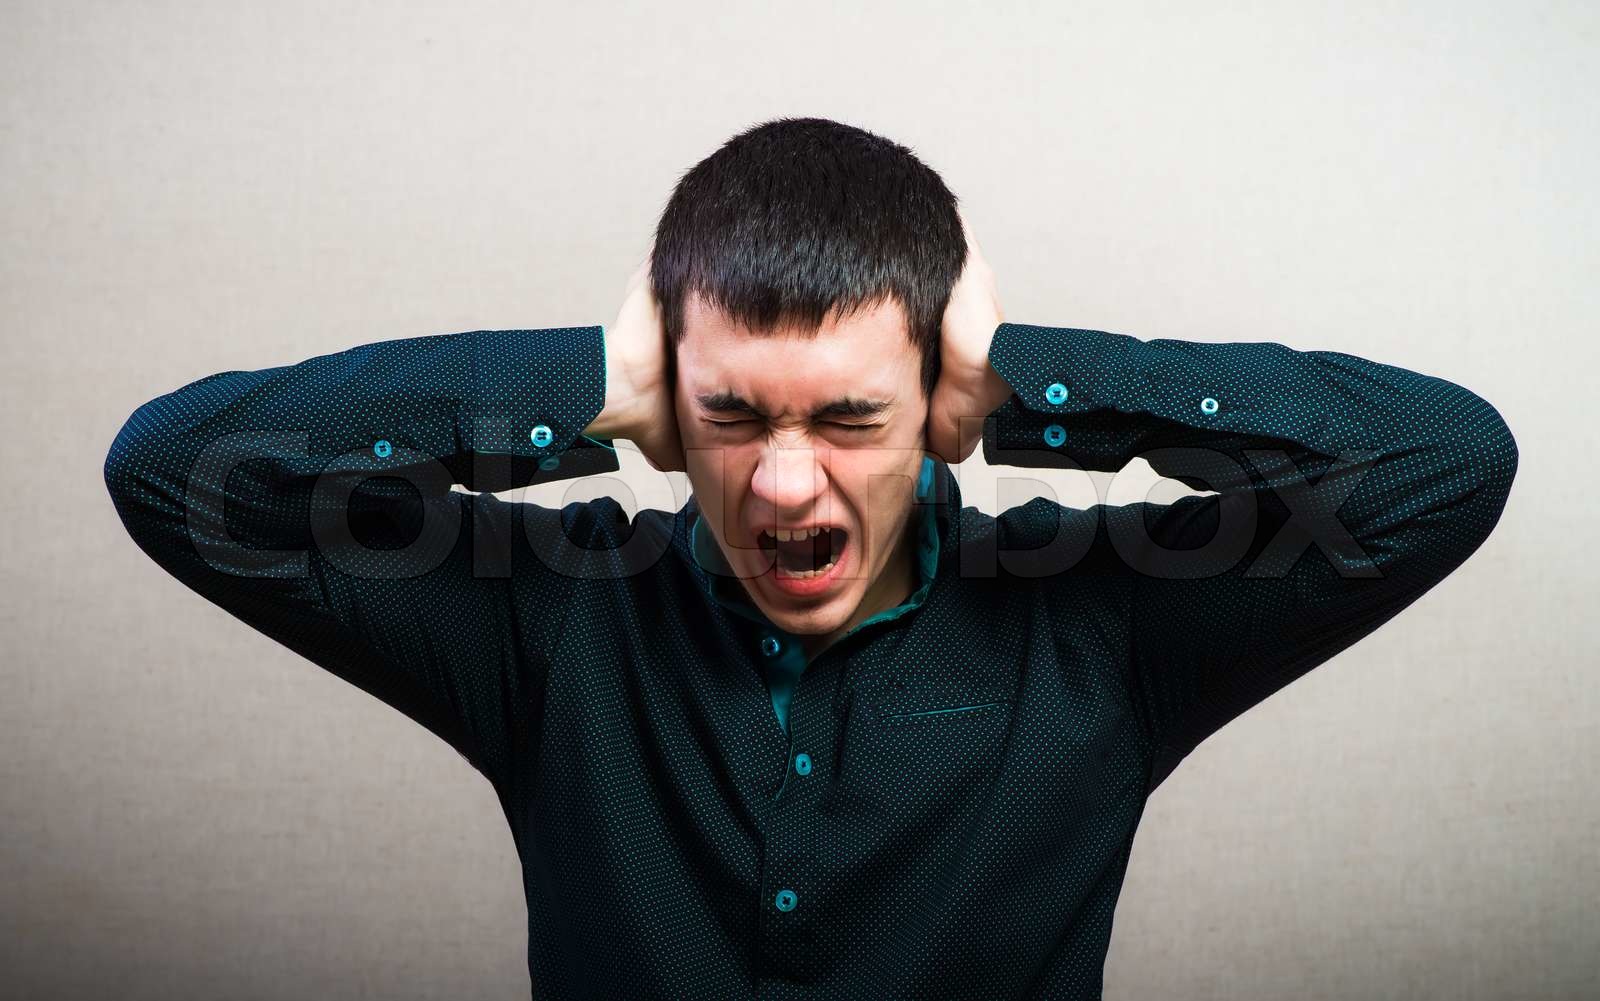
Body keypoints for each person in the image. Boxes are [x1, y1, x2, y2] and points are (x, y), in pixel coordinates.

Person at [103, 117, 1519, 1000]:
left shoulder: (1099, 629)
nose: (786, 484)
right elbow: (179, 475)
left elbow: (1443, 461)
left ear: (941, 407)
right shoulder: (552, 625)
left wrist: (1032, 380)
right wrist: (581, 380)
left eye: (850, 419)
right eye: (731, 417)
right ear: (668, 408)